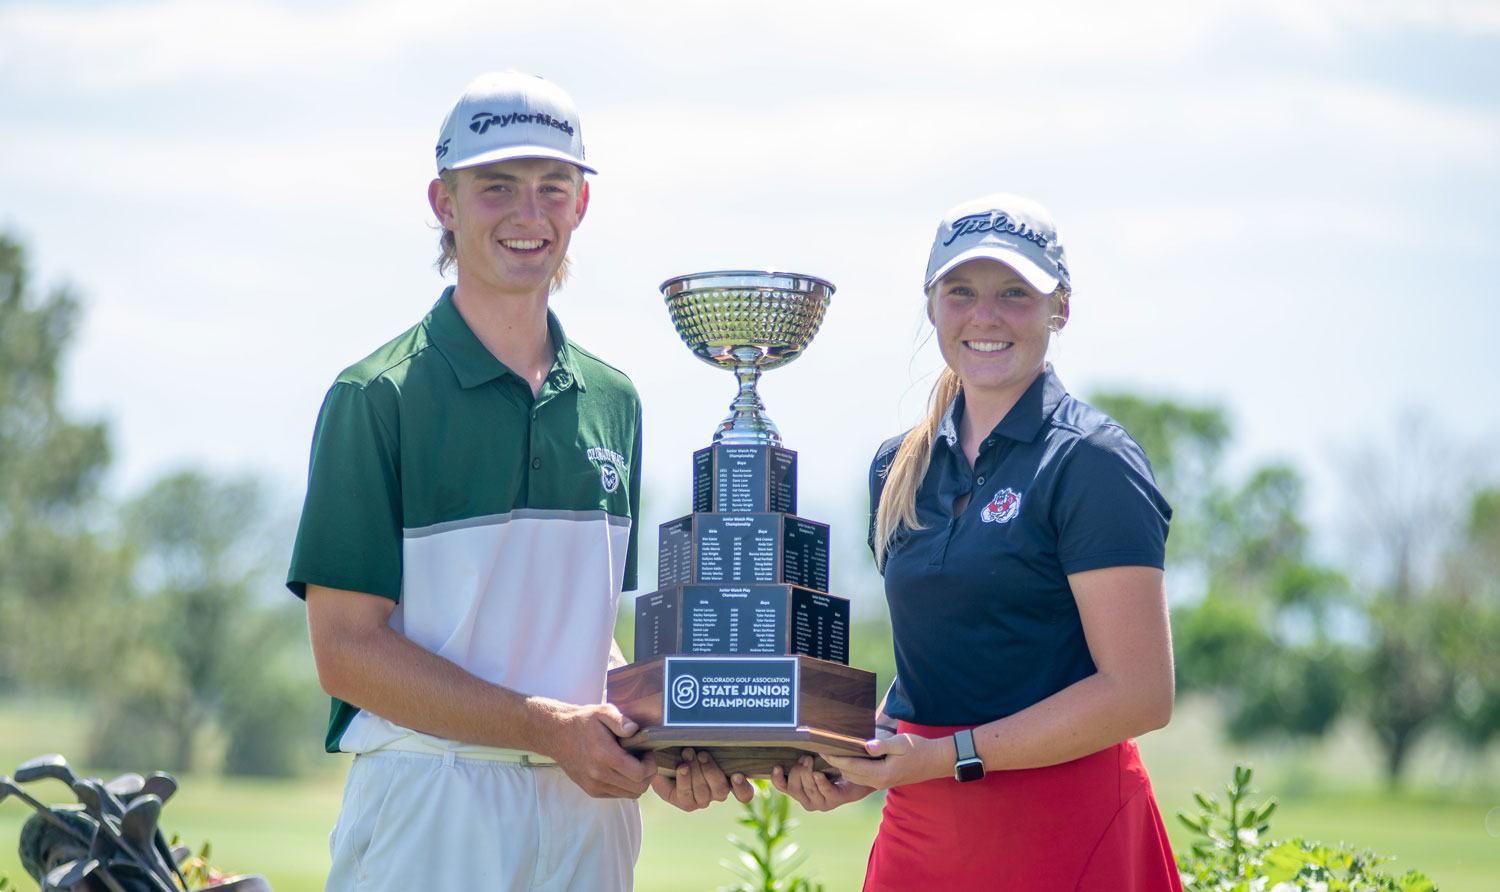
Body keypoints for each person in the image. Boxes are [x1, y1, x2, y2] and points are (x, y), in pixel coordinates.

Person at [286, 71, 749, 892]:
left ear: (582, 206)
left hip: (588, 808)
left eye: (552, 188)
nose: (528, 214)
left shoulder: (614, 401)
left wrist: (655, 736)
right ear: (444, 202)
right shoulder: (376, 397)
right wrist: (550, 728)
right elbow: (347, 652)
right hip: (433, 800)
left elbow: (586, 637)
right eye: (496, 187)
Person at [772, 194, 1183, 891]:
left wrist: (943, 757)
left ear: (1061, 308)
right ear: (931, 306)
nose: (985, 316)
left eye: (1015, 294)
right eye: (961, 292)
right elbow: (946, 667)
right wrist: (862, 752)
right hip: (923, 833)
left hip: (1065, 831)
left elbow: (1141, 694)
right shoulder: (895, 466)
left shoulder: (1092, 462)